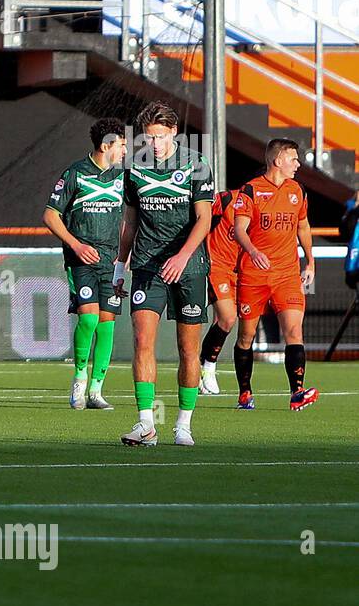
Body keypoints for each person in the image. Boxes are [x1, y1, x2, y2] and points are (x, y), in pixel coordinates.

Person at [113, 101, 213, 447]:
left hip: (189, 266)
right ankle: (146, 424)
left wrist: (183, 257)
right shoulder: (134, 168)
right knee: (143, 341)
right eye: (148, 137)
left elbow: (204, 219)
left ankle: (183, 424)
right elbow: (130, 222)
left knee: (188, 350)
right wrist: (118, 266)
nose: (154, 143)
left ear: (173, 132)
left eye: (159, 136)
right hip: (147, 264)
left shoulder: (196, 163)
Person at [42, 118, 127, 410]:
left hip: (111, 261)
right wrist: (76, 245)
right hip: (81, 259)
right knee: (88, 318)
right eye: (122, 144)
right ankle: (79, 381)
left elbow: (131, 217)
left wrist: (124, 254)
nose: (126, 150)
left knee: (107, 323)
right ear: (106, 146)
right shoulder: (75, 173)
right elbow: (51, 215)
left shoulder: (123, 177)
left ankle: (96, 391)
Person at [230, 138, 319, 411]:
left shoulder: (298, 191)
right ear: (278, 160)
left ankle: (297, 392)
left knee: (294, 330)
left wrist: (310, 262)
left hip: (287, 274)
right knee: (246, 336)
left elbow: (302, 227)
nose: (298, 164)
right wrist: (254, 252)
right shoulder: (251, 190)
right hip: (254, 275)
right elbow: (239, 229)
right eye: (293, 158)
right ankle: (245, 392)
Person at [197, 187, 242, 396]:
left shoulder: (263, 206)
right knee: (228, 317)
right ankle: (208, 367)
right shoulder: (227, 199)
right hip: (217, 266)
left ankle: (201, 366)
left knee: (223, 321)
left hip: (240, 270)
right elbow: (201, 217)